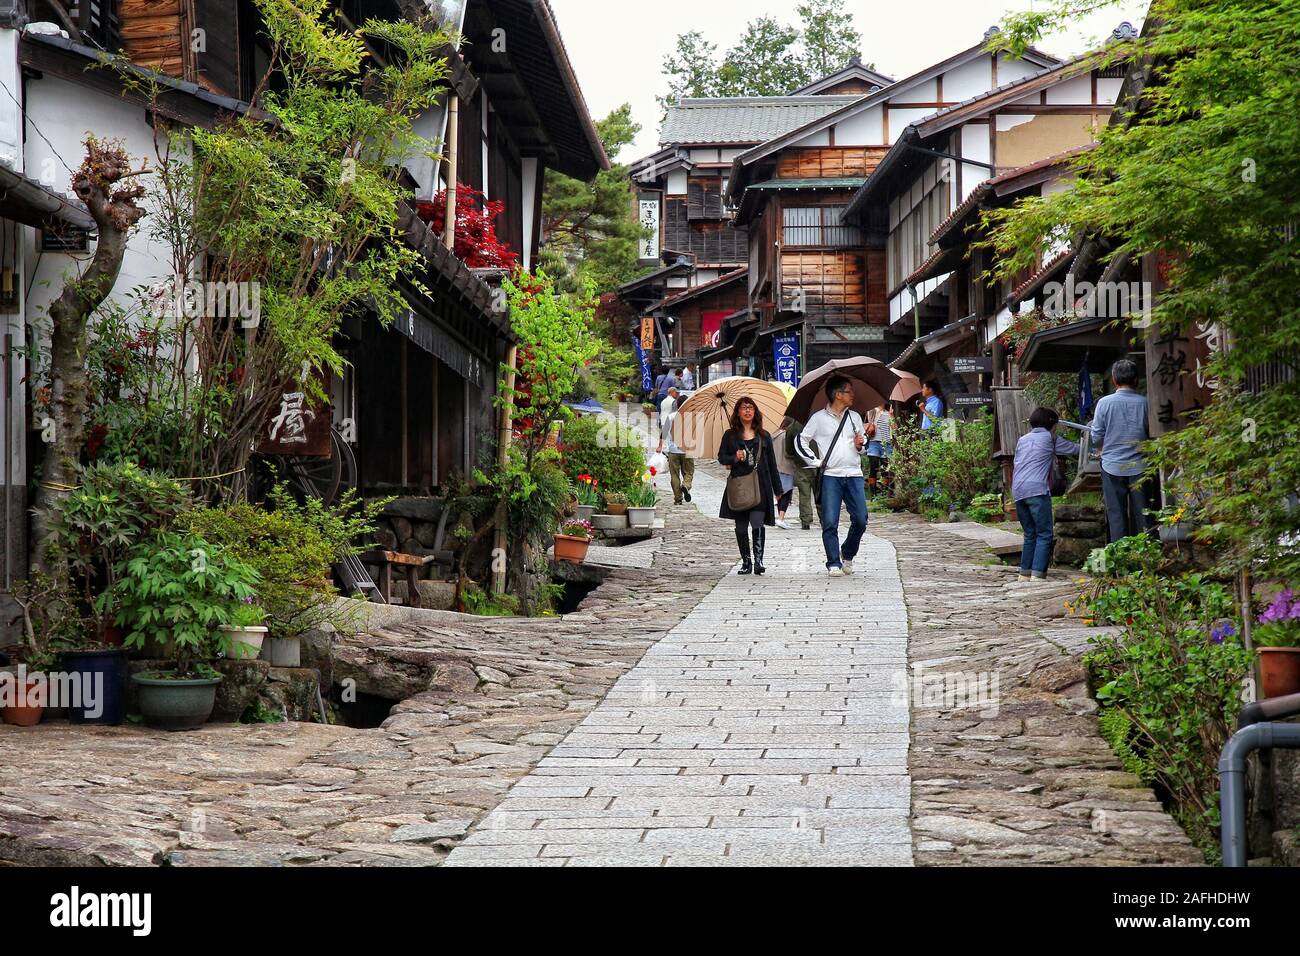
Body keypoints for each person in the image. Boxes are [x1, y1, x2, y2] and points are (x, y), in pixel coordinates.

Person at [796, 376, 869, 577]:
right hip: (831, 476)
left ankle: (847, 553)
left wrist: (861, 444)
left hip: (854, 474)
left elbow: (864, 445)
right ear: (838, 394)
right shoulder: (818, 418)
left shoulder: (854, 416)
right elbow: (800, 441)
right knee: (830, 521)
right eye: (849, 391)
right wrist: (815, 461)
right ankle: (833, 562)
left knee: (861, 519)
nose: (853, 395)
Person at [1011, 407, 1082, 581]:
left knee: (1030, 533)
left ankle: (1024, 574)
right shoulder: (1050, 438)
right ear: (1052, 424)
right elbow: (1075, 449)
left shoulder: (1022, 439)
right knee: (1044, 533)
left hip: (1018, 490)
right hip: (1037, 490)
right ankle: (1037, 575)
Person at [717, 396, 783, 575]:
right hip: (739, 486)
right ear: (737, 412)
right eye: (744, 408)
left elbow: (772, 465)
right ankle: (746, 562)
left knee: (757, 523)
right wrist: (733, 458)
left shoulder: (764, 436)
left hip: (760, 485)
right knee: (740, 527)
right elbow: (721, 457)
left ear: (755, 412)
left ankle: (759, 560)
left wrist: (779, 491)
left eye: (750, 408)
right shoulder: (730, 436)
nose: (747, 411)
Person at [1091, 359, 1153, 542]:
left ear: (1114, 380)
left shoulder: (1104, 403)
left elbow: (1096, 435)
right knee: (1144, 513)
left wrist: (1101, 448)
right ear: (1136, 380)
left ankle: (1120, 558)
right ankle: (1149, 554)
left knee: (1116, 515)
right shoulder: (1146, 403)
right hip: (1141, 465)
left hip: (1111, 465)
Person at [656, 386, 694, 505]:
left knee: (674, 474)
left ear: (677, 405)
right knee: (689, 472)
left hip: (673, 450)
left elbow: (664, 431)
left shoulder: (671, 416)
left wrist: (659, 446)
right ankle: (686, 485)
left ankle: (678, 498)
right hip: (687, 450)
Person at [780, 416, 818, 530]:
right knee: (820, 494)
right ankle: (824, 518)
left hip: (801, 465)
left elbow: (789, 450)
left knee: (804, 494)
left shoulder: (792, 427)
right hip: (818, 463)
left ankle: (806, 521)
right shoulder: (818, 422)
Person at [771, 416, 801, 530]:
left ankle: (780, 518)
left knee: (779, 493)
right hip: (786, 467)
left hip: (776, 467)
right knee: (786, 494)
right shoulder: (787, 436)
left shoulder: (774, 435)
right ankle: (781, 518)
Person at [866, 403, 893, 498]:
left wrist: (892, 415)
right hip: (874, 443)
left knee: (886, 470)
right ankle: (873, 495)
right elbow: (869, 426)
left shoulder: (888, 413)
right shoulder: (872, 411)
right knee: (873, 468)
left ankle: (885, 494)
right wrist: (877, 413)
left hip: (887, 444)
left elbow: (895, 428)